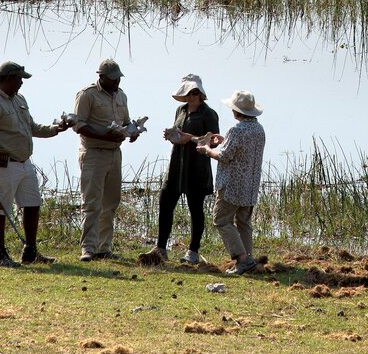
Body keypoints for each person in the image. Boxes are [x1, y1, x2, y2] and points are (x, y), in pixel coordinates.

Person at [0, 60, 70, 267]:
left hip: (25, 163)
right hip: (4, 165)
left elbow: (31, 127)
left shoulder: (19, 99)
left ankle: (30, 251)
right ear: (8, 79)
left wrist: (55, 129)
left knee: (32, 205)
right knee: (1, 209)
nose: (21, 83)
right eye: (19, 79)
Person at [72, 57, 144, 262]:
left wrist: (133, 132)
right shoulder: (87, 95)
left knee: (111, 202)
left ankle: (104, 247)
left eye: (118, 78)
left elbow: (126, 121)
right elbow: (79, 125)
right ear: (101, 77)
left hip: (114, 154)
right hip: (93, 153)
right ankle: (88, 248)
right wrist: (105, 136)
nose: (116, 82)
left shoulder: (121, 95)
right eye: (112, 79)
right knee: (91, 202)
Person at [149, 74, 219, 265]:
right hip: (177, 165)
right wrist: (172, 134)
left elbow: (213, 141)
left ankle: (193, 251)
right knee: (165, 202)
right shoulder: (180, 110)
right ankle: (160, 248)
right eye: (188, 92)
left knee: (195, 209)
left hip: (197, 167)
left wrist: (192, 138)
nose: (191, 96)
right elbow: (179, 133)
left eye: (195, 92)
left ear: (201, 93)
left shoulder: (209, 114)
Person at [197, 90, 266, 275]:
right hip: (250, 186)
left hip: (232, 186)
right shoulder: (258, 129)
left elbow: (224, 156)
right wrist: (224, 140)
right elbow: (241, 149)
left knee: (221, 220)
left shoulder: (237, 130)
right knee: (243, 222)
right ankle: (248, 258)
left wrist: (206, 150)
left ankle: (242, 259)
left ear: (236, 112)